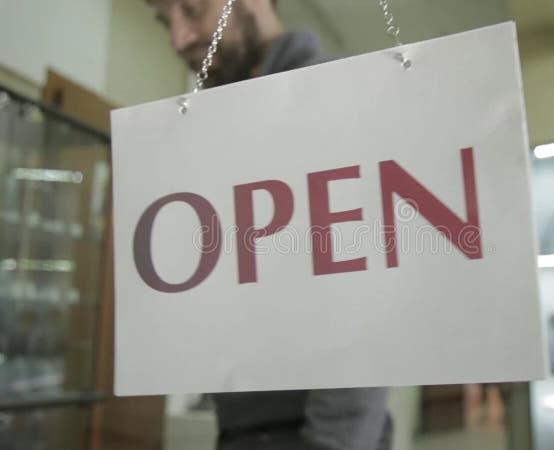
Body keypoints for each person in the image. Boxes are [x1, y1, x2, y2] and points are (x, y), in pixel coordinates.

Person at [147, 1, 393, 449]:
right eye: (167, 22)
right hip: (239, 428)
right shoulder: (219, 124)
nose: (178, 39)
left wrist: (333, 442)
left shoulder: (334, 91)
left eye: (193, 9)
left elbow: (360, 299)